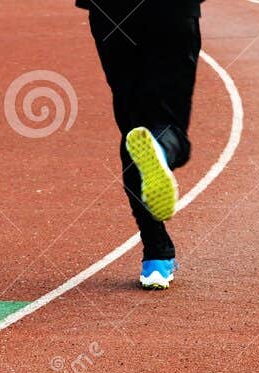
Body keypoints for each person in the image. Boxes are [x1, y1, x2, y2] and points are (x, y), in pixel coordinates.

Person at [77, 0, 203, 289]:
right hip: (171, 11)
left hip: (111, 13)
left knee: (133, 128)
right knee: (170, 128)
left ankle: (156, 254)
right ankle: (161, 148)